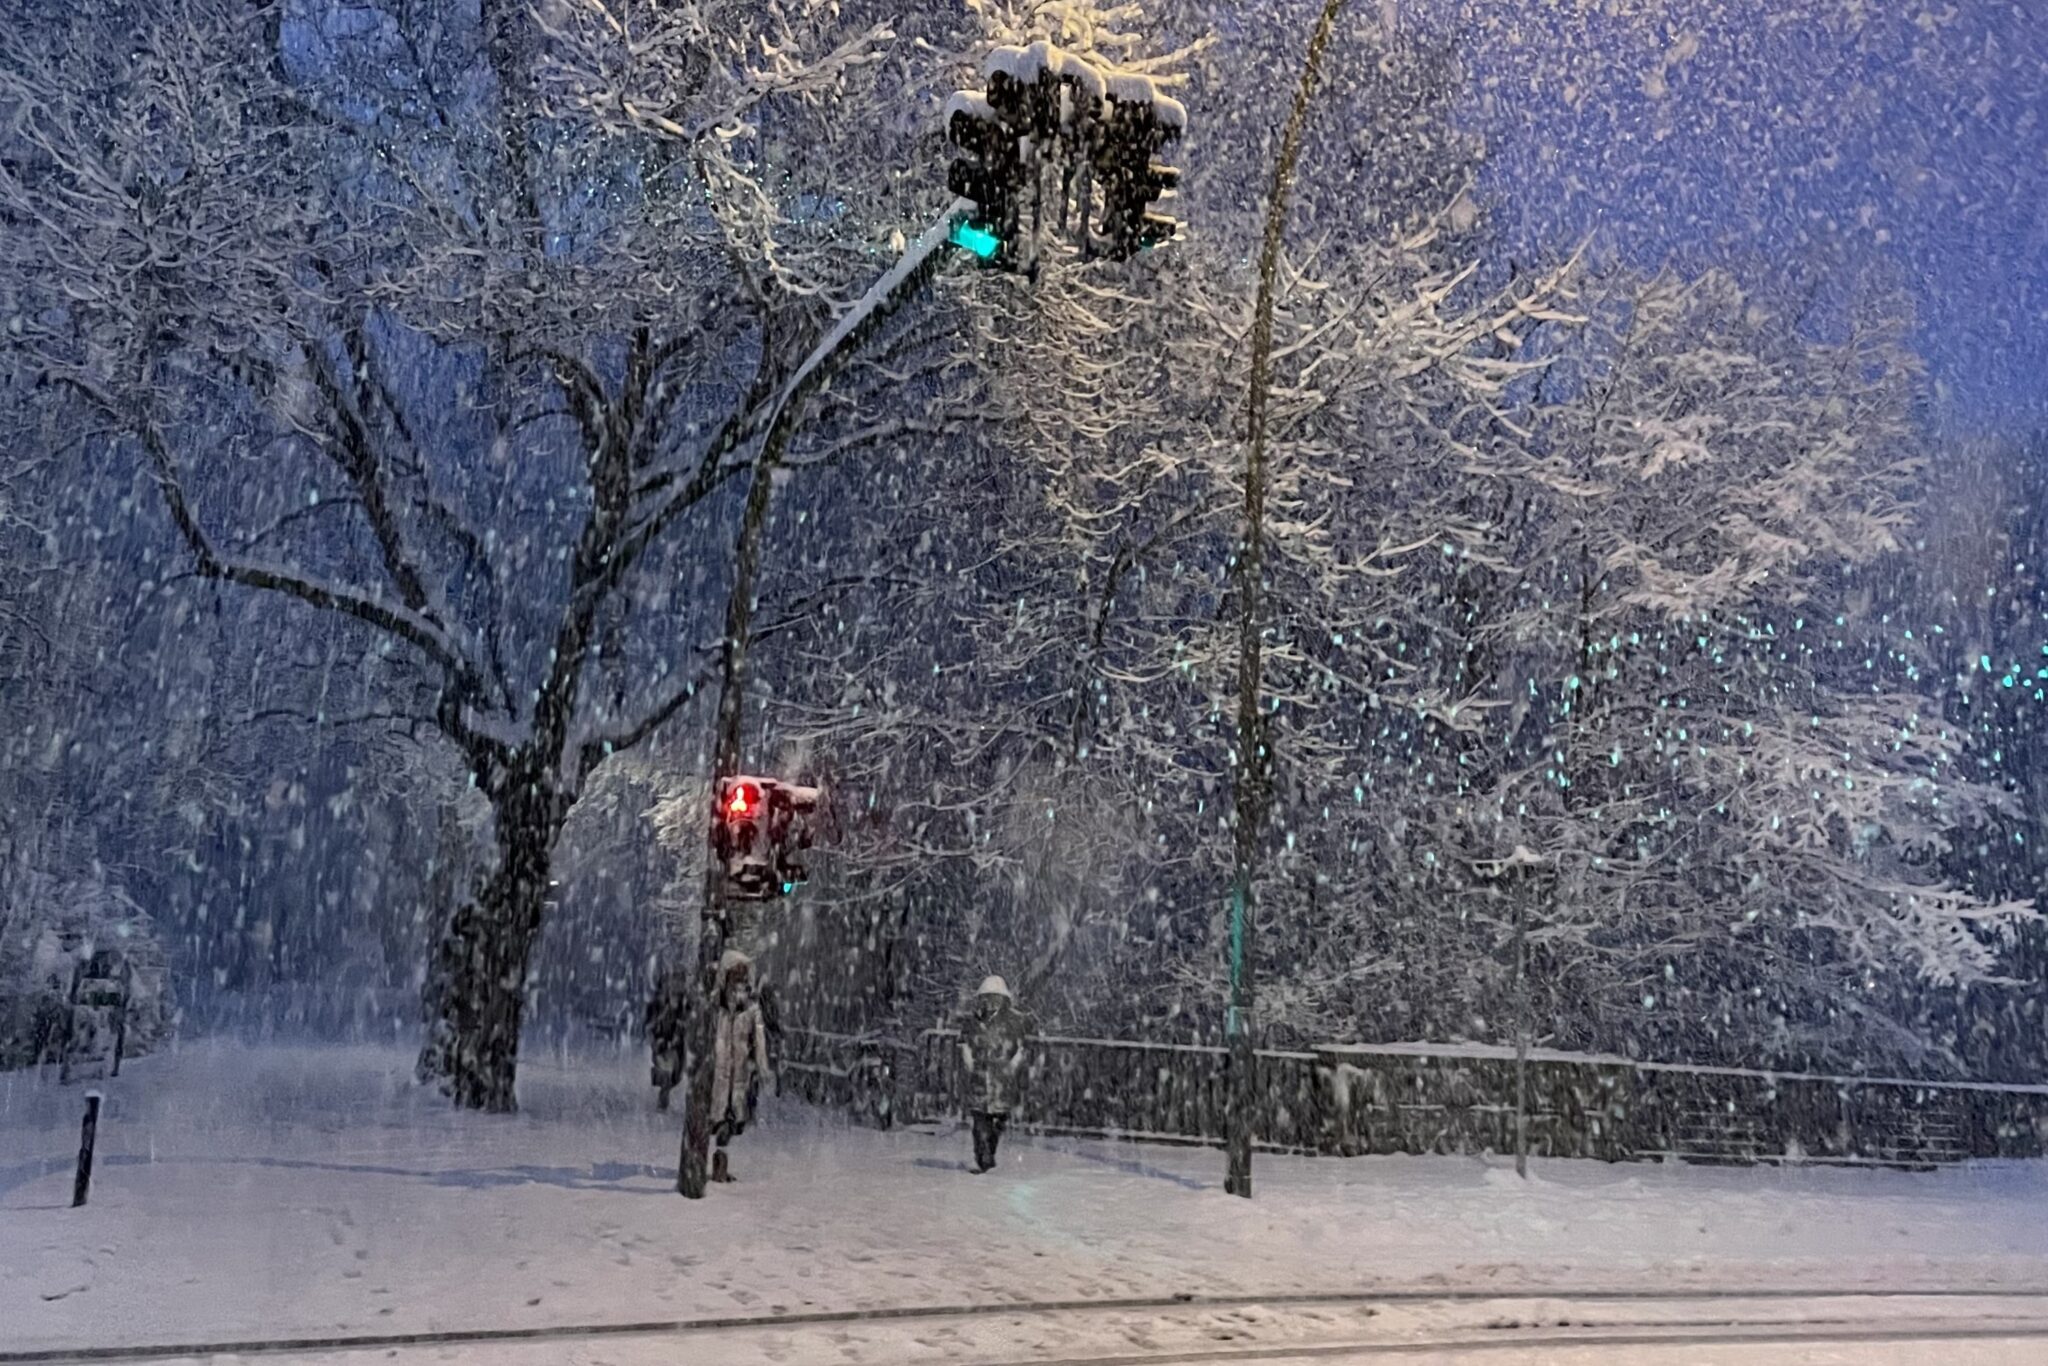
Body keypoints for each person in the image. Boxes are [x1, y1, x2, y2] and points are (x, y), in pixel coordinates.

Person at [708, 949, 773, 1183]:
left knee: (733, 1123)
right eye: (735, 973)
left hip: (739, 1076)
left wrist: (763, 1068)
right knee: (717, 1121)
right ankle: (718, 1166)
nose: (740, 979)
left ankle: (720, 1163)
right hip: (717, 1076)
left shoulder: (751, 1011)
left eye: (743, 974)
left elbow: (759, 1041)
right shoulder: (715, 1008)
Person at [959, 974, 1033, 1173]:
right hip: (980, 1079)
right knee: (980, 1122)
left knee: (997, 1123)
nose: (990, 1002)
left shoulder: (1013, 1021)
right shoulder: (972, 1022)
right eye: (987, 998)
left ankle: (988, 1153)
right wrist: (970, 1063)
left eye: (995, 998)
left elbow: (1021, 1049)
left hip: (1002, 1082)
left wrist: (1011, 1067)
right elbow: (964, 1044)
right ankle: (982, 1157)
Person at [645, 967, 687, 1111]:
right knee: (666, 1076)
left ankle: (664, 1095)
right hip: (662, 1044)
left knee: (677, 1076)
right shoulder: (656, 1005)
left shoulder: (684, 1005)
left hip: (678, 1045)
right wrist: (657, 1041)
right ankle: (662, 1103)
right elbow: (649, 1026)